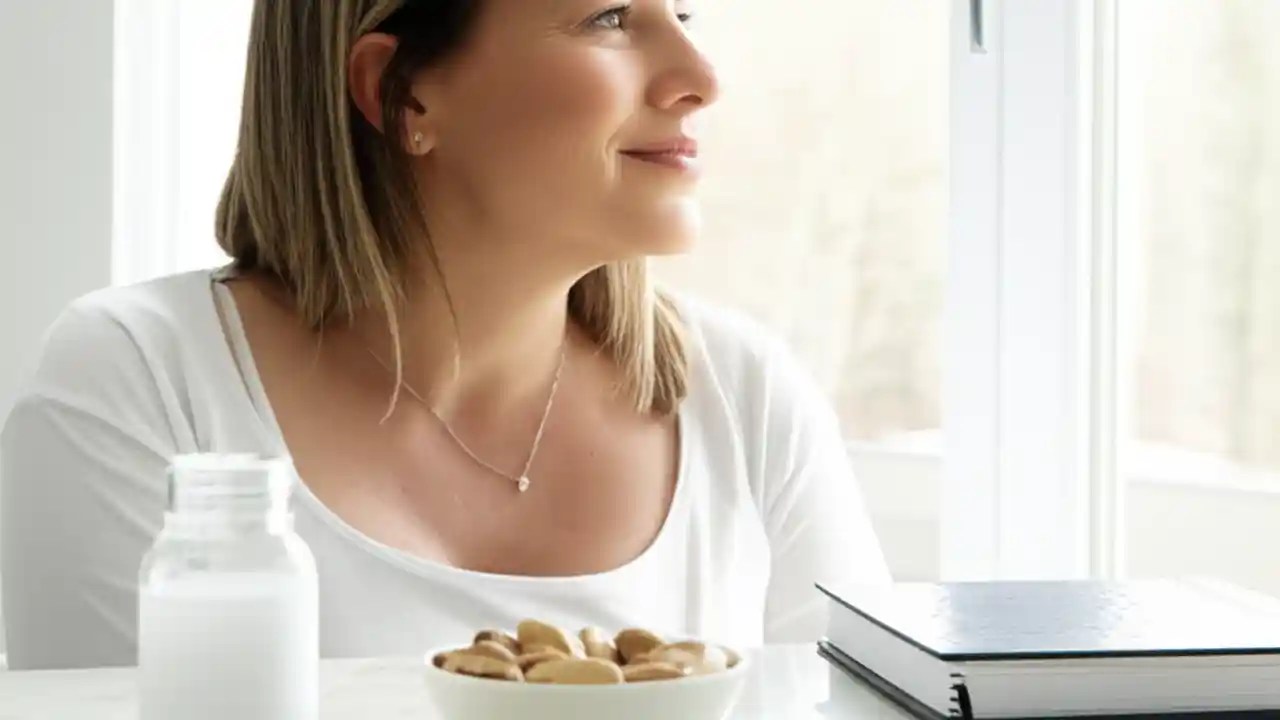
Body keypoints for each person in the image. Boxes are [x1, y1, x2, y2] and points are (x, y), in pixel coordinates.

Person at [0, 0, 889, 671]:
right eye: (611, 17)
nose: (701, 74)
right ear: (401, 92)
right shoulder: (140, 383)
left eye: (683, 10)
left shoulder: (744, 396)